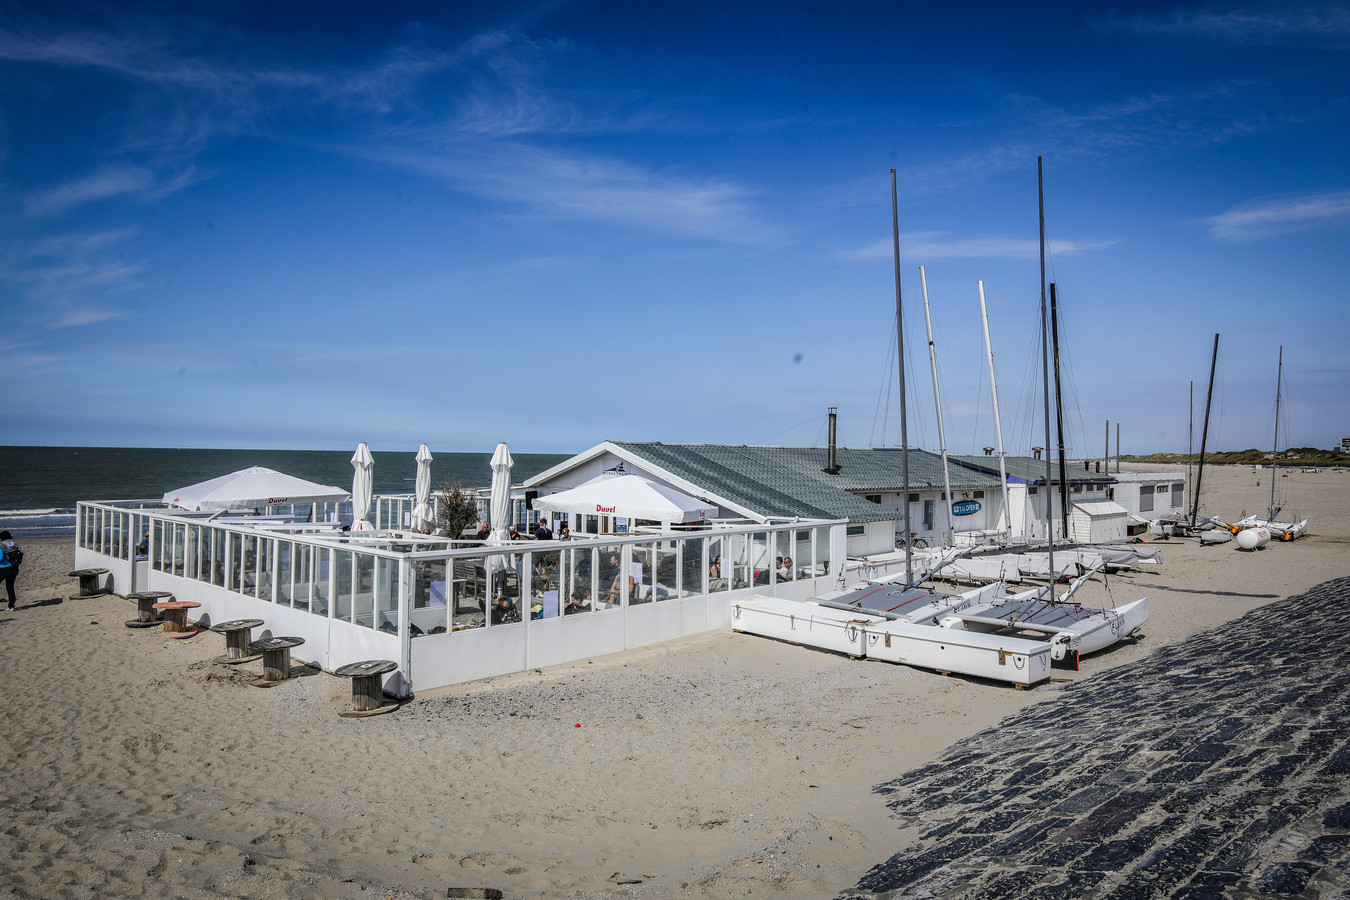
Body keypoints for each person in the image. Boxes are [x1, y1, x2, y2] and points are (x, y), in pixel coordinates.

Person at [0, 531, 21, 611]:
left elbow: (1, 558)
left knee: (9, 587)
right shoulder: (14, 544)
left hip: (4, 568)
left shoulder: (1, 545)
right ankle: (11, 606)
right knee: (10, 587)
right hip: (15, 568)